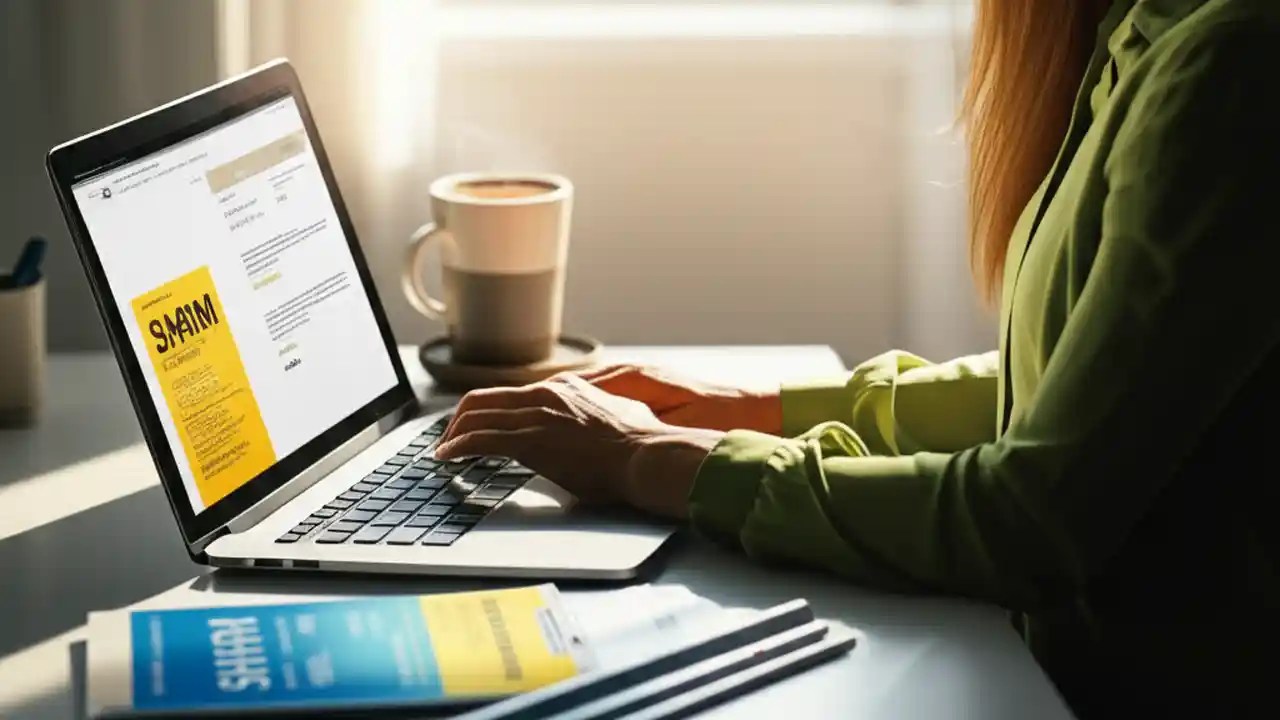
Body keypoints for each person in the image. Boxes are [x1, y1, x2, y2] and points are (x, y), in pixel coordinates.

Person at [435, 0, 1278, 716]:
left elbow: (1030, 518)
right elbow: (1069, 394)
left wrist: (651, 459)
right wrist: (751, 408)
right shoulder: (1143, 29)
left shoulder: (1227, 63)